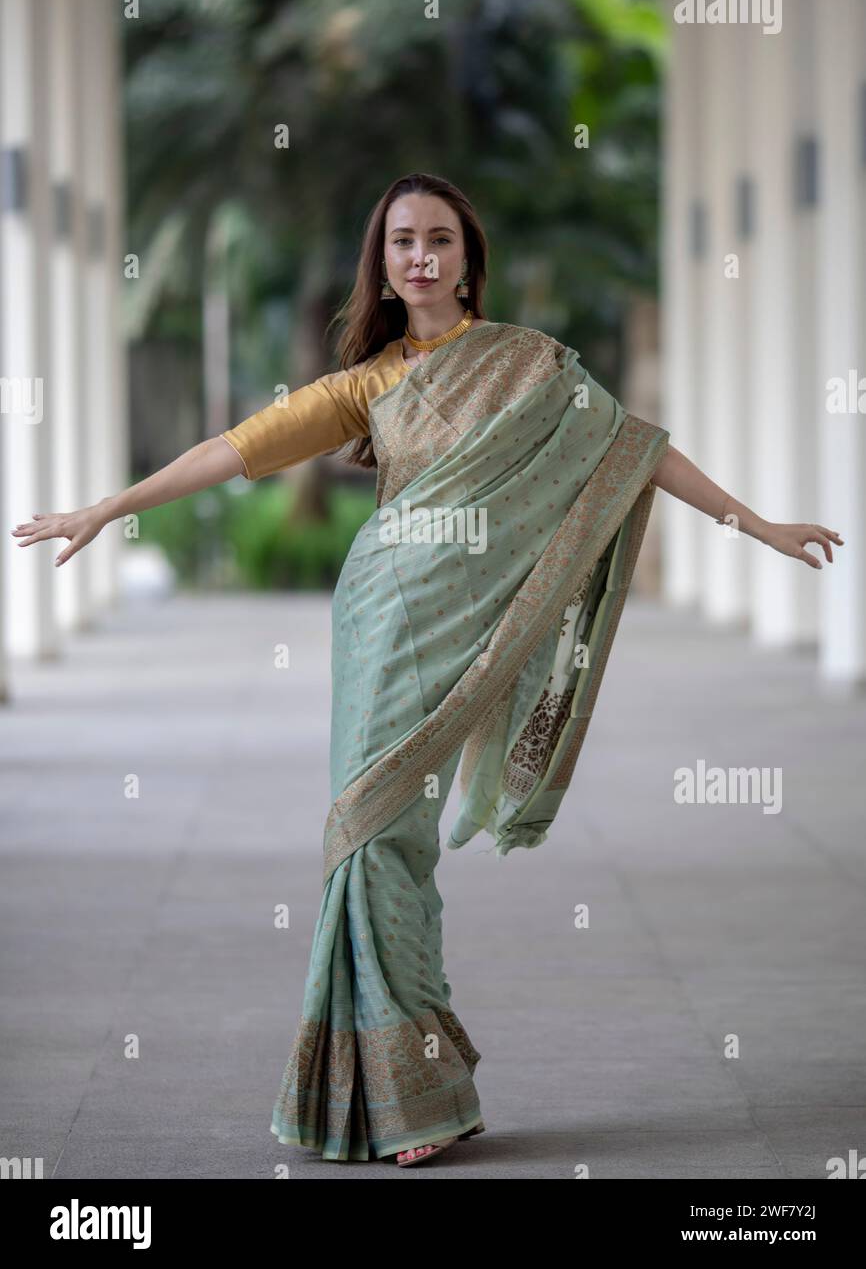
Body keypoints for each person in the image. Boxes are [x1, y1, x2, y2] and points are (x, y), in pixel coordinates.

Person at [11, 172, 843, 1167]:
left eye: (437, 239)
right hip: (381, 621)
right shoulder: (368, 382)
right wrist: (109, 507)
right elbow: (235, 450)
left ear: (466, 257)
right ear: (382, 265)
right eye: (400, 241)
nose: (418, 256)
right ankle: (404, 1093)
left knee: (400, 843)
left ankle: (412, 1085)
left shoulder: (531, 367)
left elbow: (635, 452)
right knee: (368, 839)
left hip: (466, 630)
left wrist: (759, 527)